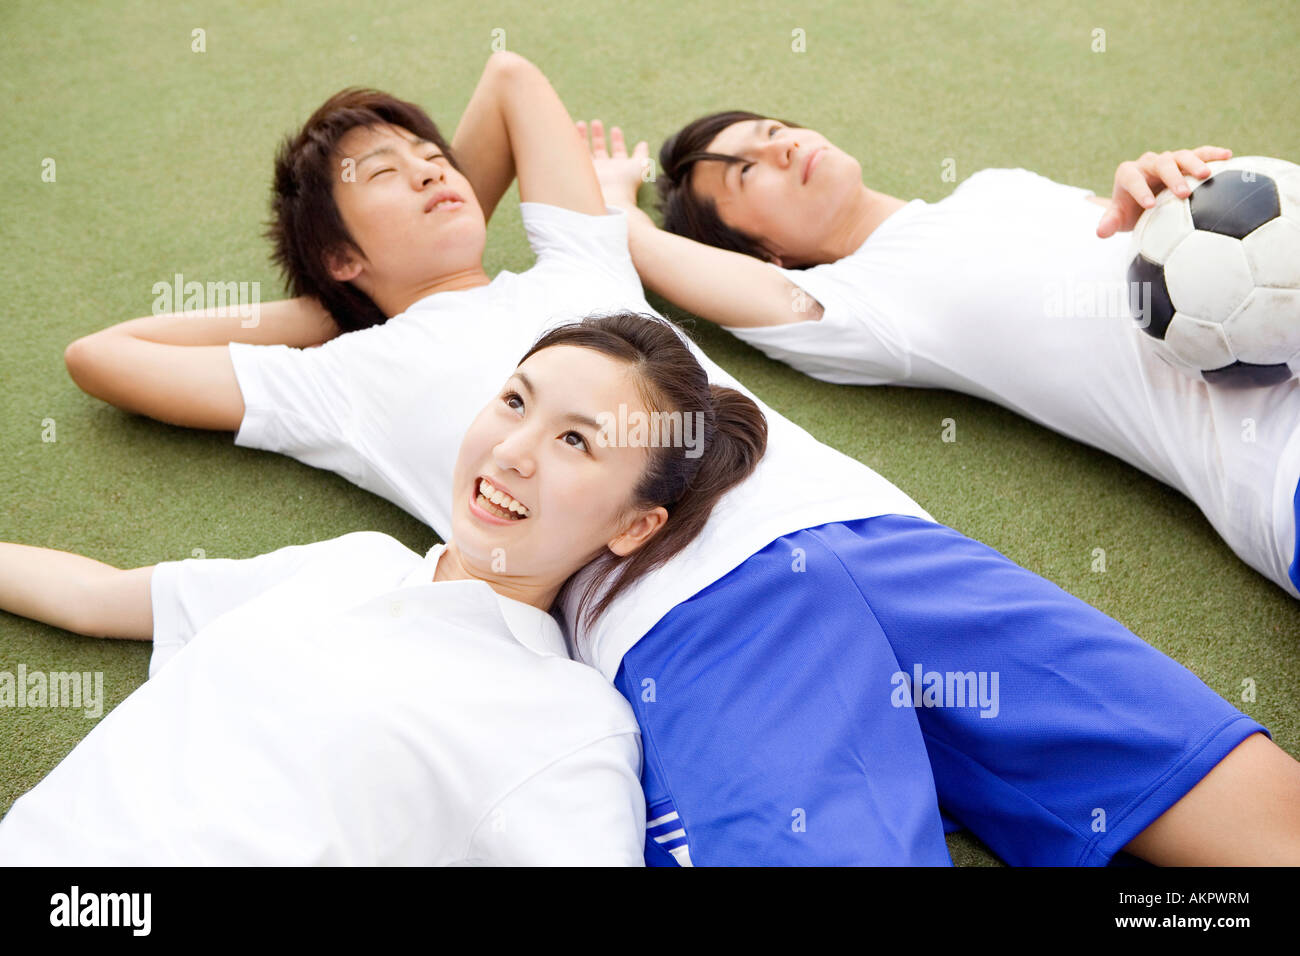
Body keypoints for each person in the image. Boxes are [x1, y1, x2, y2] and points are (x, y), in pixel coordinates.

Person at [55, 52, 1300, 865]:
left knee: (1263, 819)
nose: (434, 167)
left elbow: (507, 80)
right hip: (699, 621)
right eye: (380, 173)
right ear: (332, 251)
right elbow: (102, 354)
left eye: (433, 156)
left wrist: (424, 208)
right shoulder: (331, 379)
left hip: (891, 545)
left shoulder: (576, 265)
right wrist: (339, 311)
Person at [0, 312, 768, 865]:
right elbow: (96, 600)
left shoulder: (568, 722)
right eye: (514, 401)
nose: (511, 451)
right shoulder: (350, 563)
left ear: (634, 526)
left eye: (575, 440)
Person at [578, 113, 1300, 600]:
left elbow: (1160, 243)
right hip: (1274, 461)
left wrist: (1157, 197)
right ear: (768, 253)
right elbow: (658, 256)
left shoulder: (998, 187)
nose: (783, 148)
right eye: (746, 173)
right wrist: (618, 206)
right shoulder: (856, 305)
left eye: (774, 132)